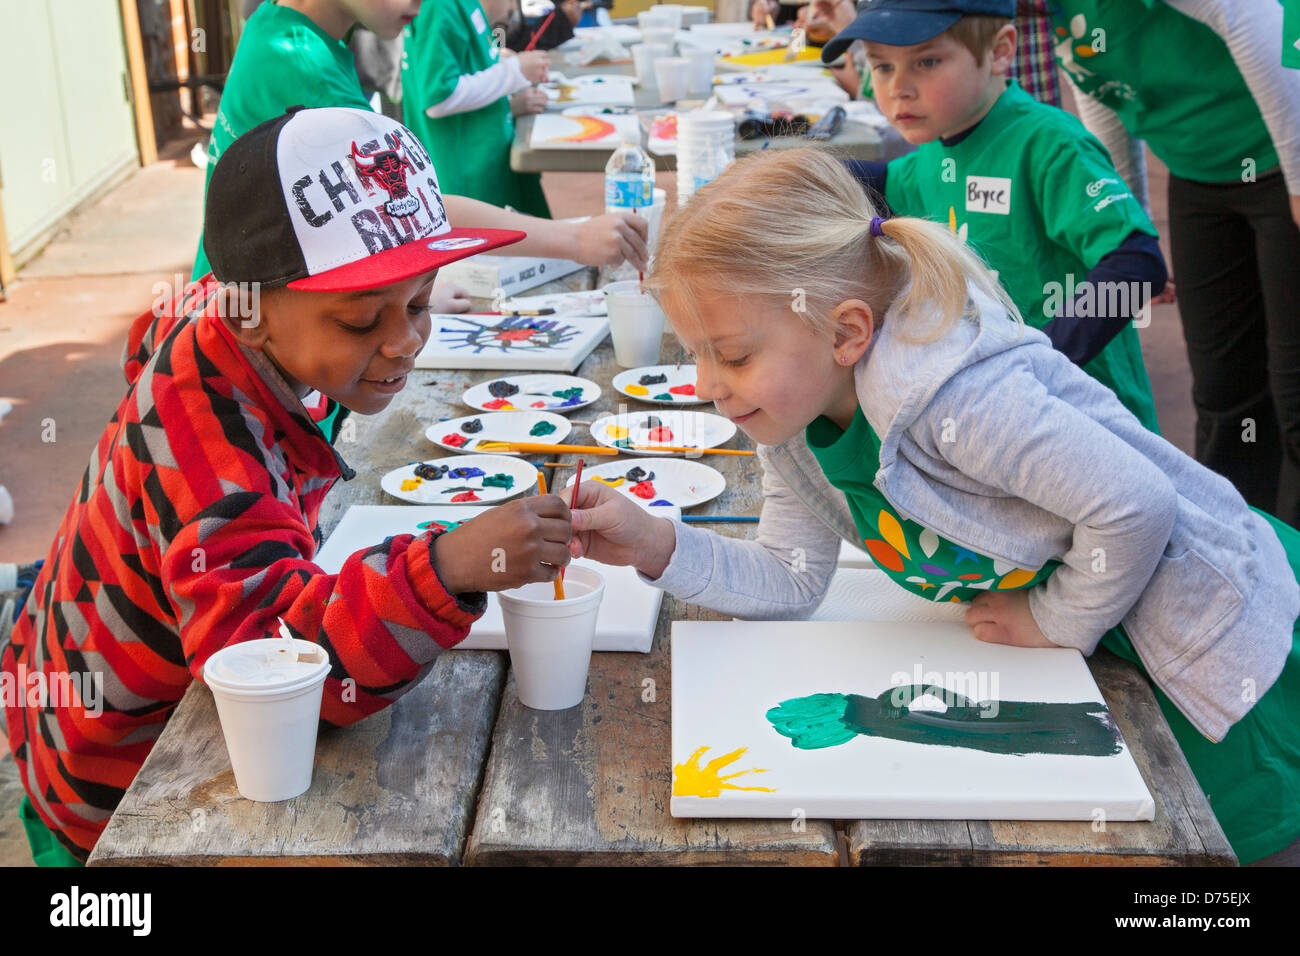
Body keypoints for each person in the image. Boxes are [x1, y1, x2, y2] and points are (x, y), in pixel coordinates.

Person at [567, 147, 1300, 865]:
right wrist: (653, 544)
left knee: (1216, 847)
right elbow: (789, 577)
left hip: (1200, 631)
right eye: (694, 352)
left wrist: (1055, 621)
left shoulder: (960, 400)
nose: (707, 384)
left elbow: (1138, 506)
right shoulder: (791, 426)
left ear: (846, 332)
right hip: (1096, 657)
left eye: (731, 355)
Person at [0, 107, 575, 865]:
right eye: (360, 319)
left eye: (420, 303)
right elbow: (281, 674)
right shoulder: (210, 463)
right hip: (113, 791)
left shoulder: (221, 326)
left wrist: (354, 331)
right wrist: (446, 568)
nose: (403, 343)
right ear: (252, 318)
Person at [822, 0, 1167, 432]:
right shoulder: (940, 139)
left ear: (1001, 52)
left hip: (1085, 418)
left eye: (926, 61)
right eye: (883, 67)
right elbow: (890, 182)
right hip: (999, 414)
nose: (898, 89)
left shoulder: (1048, 143)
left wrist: (1042, 359)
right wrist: (797, 172)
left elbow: (1138, 264)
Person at [190, 1, 648, 293]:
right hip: (249, 325)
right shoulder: (304, 64)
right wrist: (575, 238)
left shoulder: (280, 26)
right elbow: (412, 206)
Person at [1048, 0, 1300, 526]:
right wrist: (1132, 224)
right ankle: (1244, 555)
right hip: (1201, 171)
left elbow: (1252, 19)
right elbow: (1100, 88)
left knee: (1295, 392)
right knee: (1224, 392)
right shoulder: (1039, 12)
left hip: (1285, 155)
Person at [402, 0, 552, 218]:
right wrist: (513, 71)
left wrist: (497, 61)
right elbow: (438, 98)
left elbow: (462, 61)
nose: (510, 8)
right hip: (466, 175)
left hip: (487, 160)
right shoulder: (440, 6)